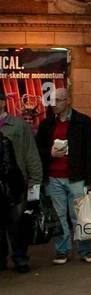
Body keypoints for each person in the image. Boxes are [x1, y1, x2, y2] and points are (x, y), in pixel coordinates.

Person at [35, 87, 91, 265]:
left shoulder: (82, 122)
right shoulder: (47, 124)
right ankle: (62, 251)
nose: (54, 105)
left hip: (76, 176)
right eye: (52, 101)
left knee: (78, 215)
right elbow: (37, 149)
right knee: (59, 215)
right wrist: (50, 153)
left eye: (58, 100)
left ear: (68, 101)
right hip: (54, 176)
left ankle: (85, 249)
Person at [0, 108, 42, 274]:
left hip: (16, 183)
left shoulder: (18, 126)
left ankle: (20, 257)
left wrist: (35, 183)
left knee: (18, 223)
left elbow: (30, 154)